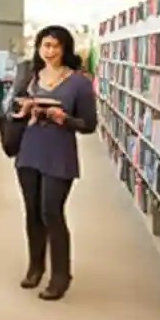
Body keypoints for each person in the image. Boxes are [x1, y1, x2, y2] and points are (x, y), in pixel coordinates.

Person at [10, 25, 97, 301]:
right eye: (45, 45)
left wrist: (64, 119)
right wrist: (23, 111)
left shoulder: (79, 83)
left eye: (56, 46)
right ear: (38, 48)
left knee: (52, 212)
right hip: (30, 150)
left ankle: (61, 276)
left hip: (59, 153)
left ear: (65, 49)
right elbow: (12, 113)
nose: (50, 51)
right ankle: (36, 267)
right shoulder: (30, 78)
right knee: (32, 212)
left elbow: (89, 125)